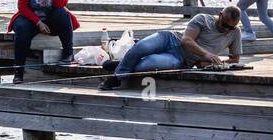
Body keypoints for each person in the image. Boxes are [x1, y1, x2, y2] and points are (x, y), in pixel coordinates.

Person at [100, 5, 242, 90]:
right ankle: (117, 76)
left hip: (180, 58)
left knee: (150, 63)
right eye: (224, 24)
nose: (226, 29)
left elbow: (235, 59)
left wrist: (216, 63)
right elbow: (186, 40)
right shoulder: (202, 19)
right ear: (220, 15)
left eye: (231, 27)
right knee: (141, 47)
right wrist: (206, 55)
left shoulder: (235, 33)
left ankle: (120, 69)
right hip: (171, 38)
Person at [7, 0, 76, 83]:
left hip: (51, 18)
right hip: (31, 18)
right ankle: (18, 71)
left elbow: (61, 4)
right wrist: (38, 22)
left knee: (62, 14)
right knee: (21, 28)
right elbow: (22, 5)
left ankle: (68, 53)